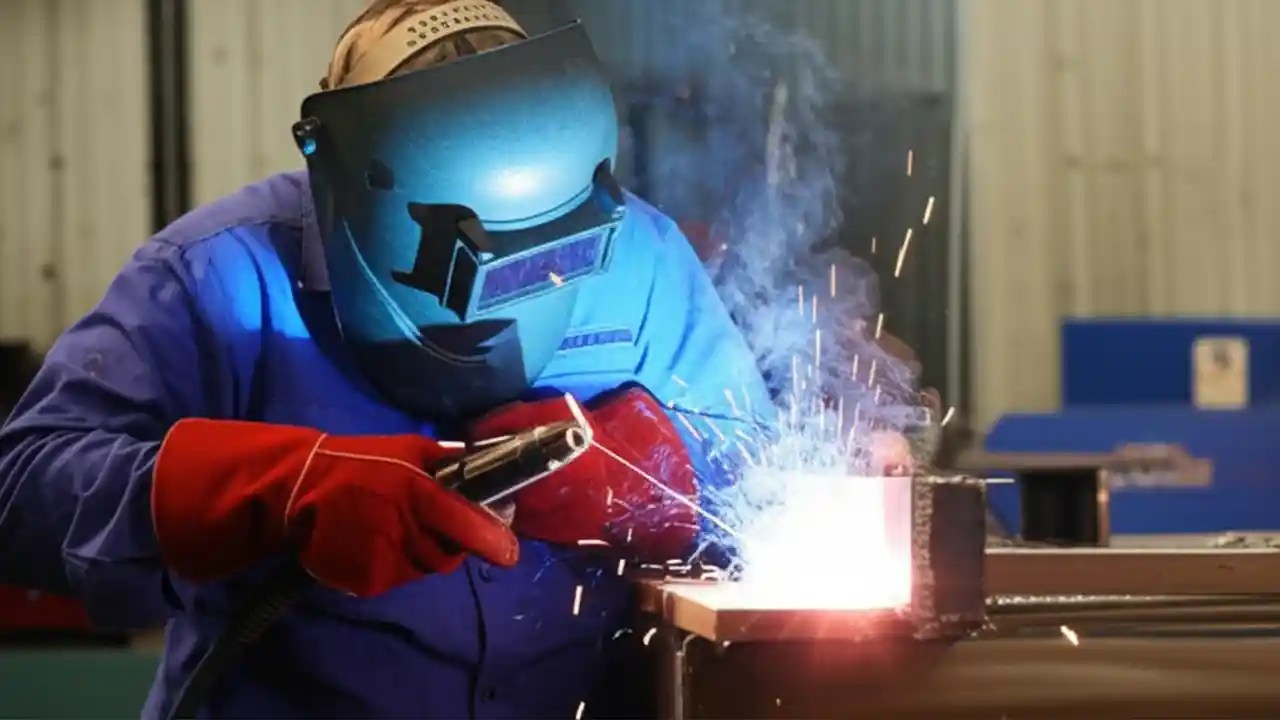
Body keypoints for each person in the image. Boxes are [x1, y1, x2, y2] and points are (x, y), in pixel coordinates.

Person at [0, 1, 772, 717]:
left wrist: (650, 478)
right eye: (475, 264)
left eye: (549, 257)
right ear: (341, 180)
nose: (501, 305)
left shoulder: (642, 260)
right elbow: (25, 490)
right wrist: (275, 491)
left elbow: (762, 478)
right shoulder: (216, 278)